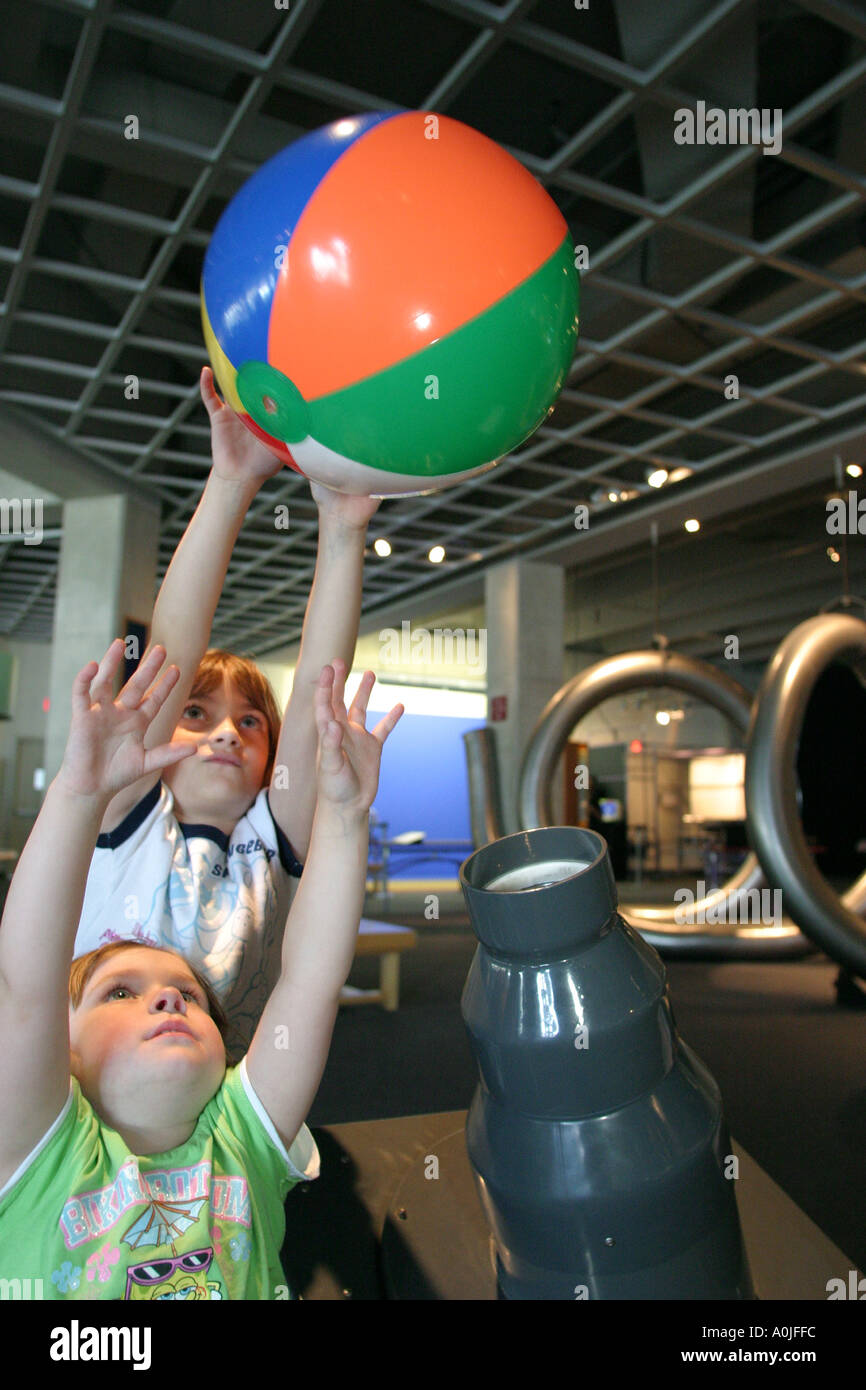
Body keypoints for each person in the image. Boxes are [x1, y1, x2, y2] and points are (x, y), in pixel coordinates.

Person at [0, 641, 402, 1300]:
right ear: (63, 1048)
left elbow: (309, 979)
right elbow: (23, 987)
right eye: (120, 992)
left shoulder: (242, 1136)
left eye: (187, 995)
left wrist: (348, 816)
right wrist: (76, 793)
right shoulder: (37, 1152)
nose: (167, 1003)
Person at [74, 367, 382, 1056]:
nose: (225, 731)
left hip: (227, 1123)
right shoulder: (131, 819)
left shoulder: (270, 840)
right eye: (196, 713)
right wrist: (232, 483)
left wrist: (342, 528)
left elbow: (312, 703)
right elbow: (171, 651)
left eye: (250, 722)